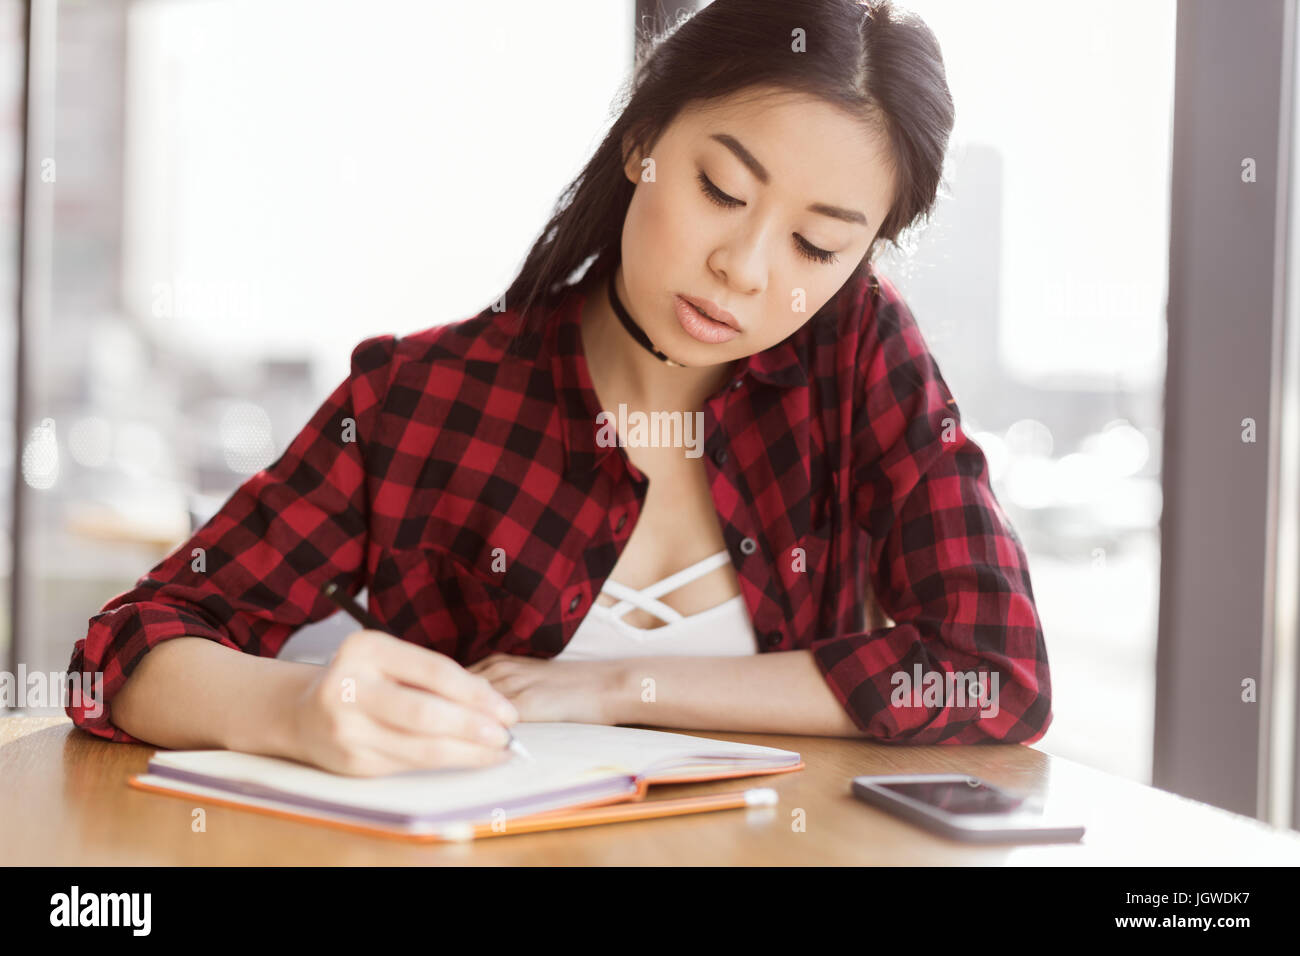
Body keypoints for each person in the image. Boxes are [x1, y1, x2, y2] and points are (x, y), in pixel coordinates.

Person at [67, 0, 1052, 776]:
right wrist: (300, 707)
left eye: (816, 242)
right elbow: (123, 653)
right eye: (719, 189)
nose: (746, 268)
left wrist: (621, 683)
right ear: (643, 143)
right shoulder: (424, 400)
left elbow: (991, 675)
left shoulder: (857, 363)